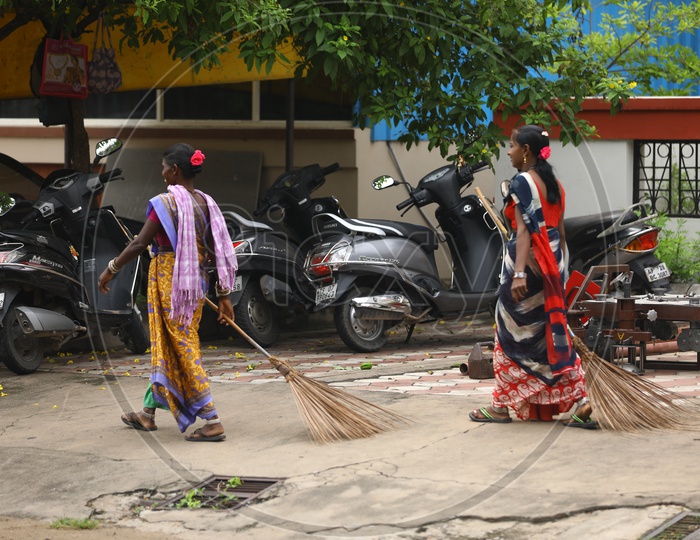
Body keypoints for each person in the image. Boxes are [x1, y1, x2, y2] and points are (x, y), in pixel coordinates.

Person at [98, 143, 238, 442]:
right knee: (169, 344)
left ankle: (212, 420)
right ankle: (148, 415)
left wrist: (111, 268)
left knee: (184, 347)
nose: (162, 174)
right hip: (195, 281)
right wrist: (224, 294)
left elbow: (139, 244)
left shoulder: (166, 203)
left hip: (170, 282)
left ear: (175, 170)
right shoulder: (205, 202)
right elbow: (218, 251)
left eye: (164, 168)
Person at [469, 125, 596, 429]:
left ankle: (500, 406)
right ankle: (579, 400)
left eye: (511, 146)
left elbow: (523, 230)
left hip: (527, 263)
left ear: (526, 151)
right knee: (550, 332)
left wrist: (519, 273)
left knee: (507, 333)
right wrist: (557, 271)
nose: (508, 151)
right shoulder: (555, 184)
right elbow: (561, 232)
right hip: (552, 261)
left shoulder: (522, 182)